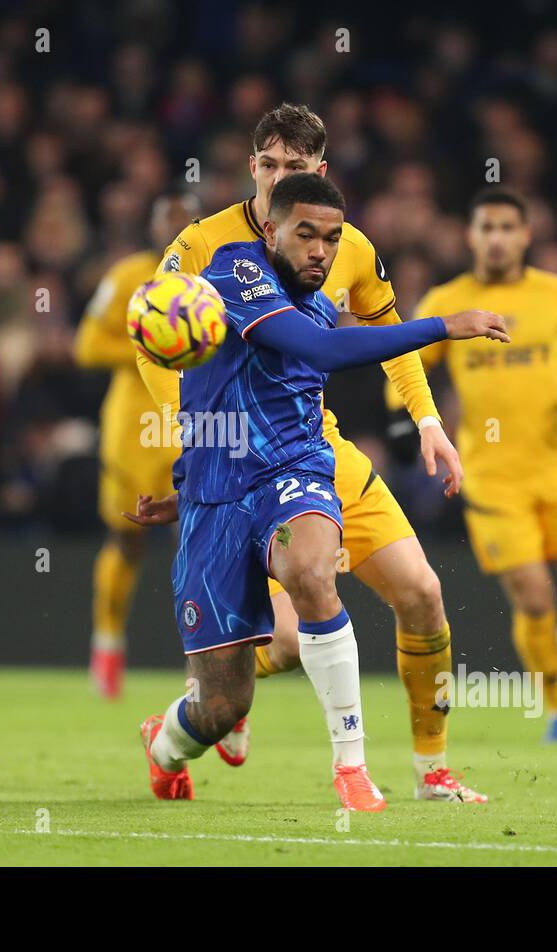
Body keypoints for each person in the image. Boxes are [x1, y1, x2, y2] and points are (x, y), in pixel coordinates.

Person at [135, 104, 488, 803]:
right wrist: (197, 437)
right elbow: (156, 341)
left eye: (292, 168)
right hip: (234, 461)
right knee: (291, 641)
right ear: (251, 168)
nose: (275, 179)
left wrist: (426, 420)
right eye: (266, 165)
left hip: (314, 448)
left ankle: (432, 773)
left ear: (319, 173)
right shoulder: (206, 247)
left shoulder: (342, 241)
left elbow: (384, 325)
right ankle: (213, 695)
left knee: (422, 594)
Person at [412, 187, 557, 743]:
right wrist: (403, 420)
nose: (497, 238)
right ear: (471, 236)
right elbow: (408, 361)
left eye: (508, 227)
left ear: (526, 236)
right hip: (492, 481)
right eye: (487, 227)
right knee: (534, 597)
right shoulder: (446, 301)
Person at [73, 193, 200, 698]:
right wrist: (155, 340)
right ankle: (107, 643)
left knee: (194, 547)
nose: (172, 231)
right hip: (131, 435)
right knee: (126, 541)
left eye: (182, 222)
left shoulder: (215, 280)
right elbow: (85, 345)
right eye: (164, 220)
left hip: (191, 430)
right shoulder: (128, 277)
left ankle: (201, 664)